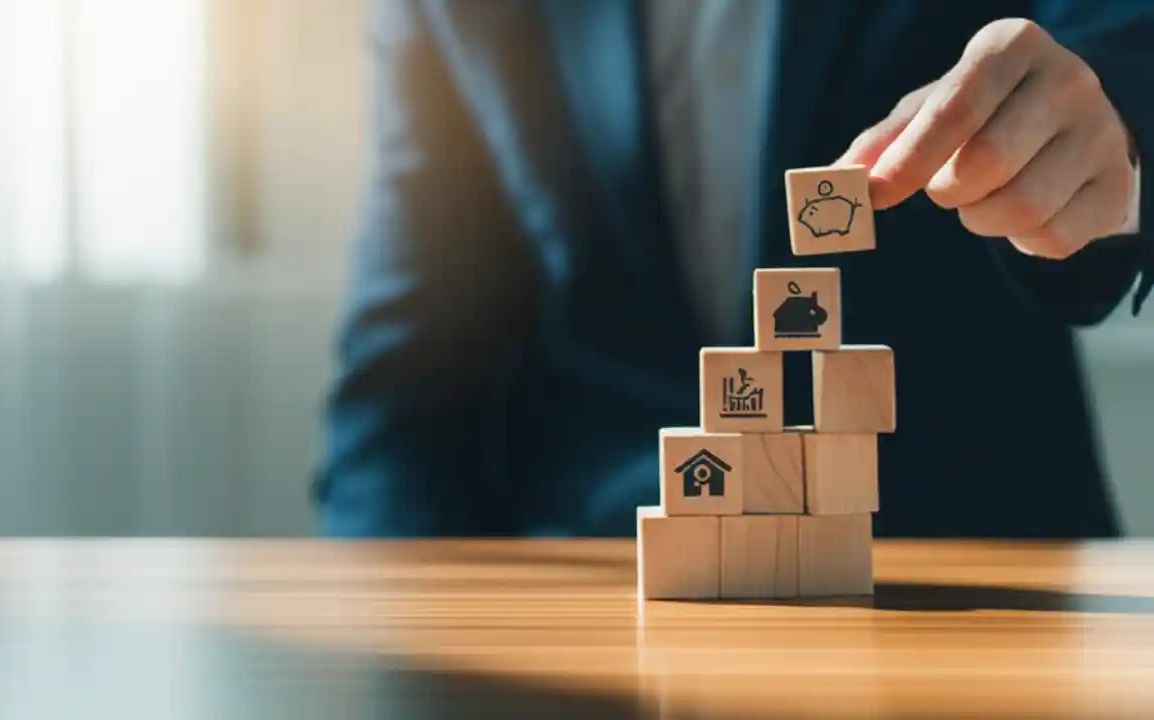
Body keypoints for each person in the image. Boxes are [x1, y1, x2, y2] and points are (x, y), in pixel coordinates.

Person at [317, 0, 1154, 538]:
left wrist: (1111, 117)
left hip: (977, 568)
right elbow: (406, 401)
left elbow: (1120, 34)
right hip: (600, 597)